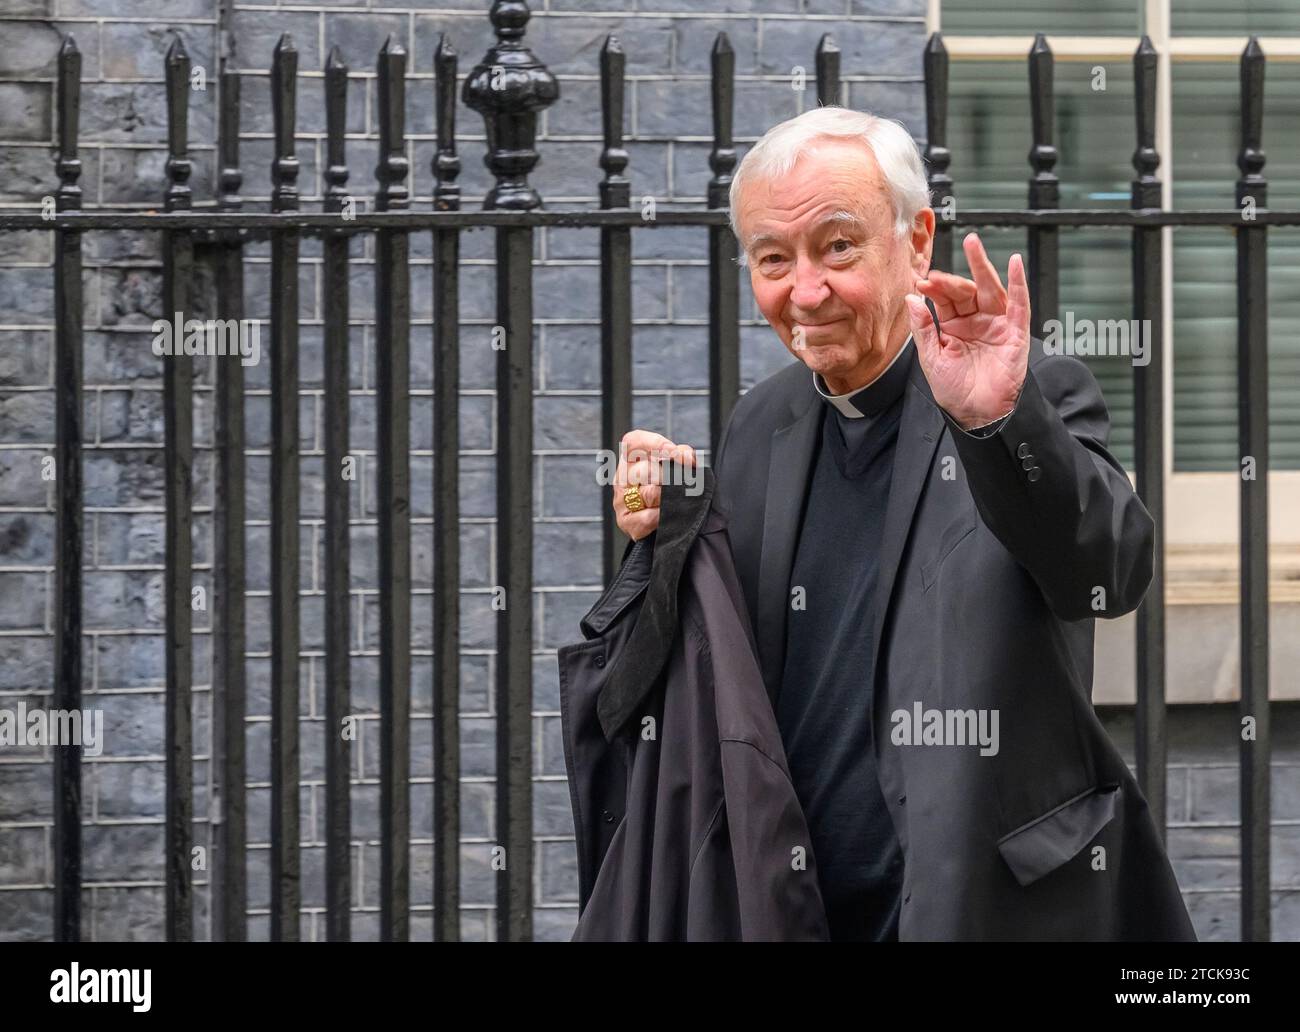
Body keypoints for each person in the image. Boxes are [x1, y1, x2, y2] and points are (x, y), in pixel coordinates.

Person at [609, 106, 1195, 942]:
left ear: (916, 241)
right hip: (799, 904)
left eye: (837, 247)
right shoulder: (759, 425)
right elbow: (717, 674)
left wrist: (1000, 422)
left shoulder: (1025, 391)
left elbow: (1109, 571)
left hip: (982, 903)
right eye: (773, 259)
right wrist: (657, 544)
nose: (804, 291)